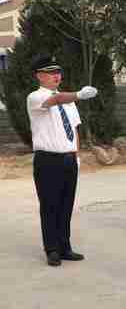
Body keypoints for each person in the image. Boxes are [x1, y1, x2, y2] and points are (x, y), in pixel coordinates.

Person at [27, 55, 98, 266]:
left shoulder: (68, 102)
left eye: (58, 72)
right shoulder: (35, 97)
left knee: (66, 205)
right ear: (39, 76)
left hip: (68, 159)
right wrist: (78, 94)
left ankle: (65, 246)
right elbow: (54, 100)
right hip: (48, 160)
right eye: (50, 72)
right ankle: (52, 249)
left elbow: (75, 128)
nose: (56, 76)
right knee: (50, 205)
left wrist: (75, 155)